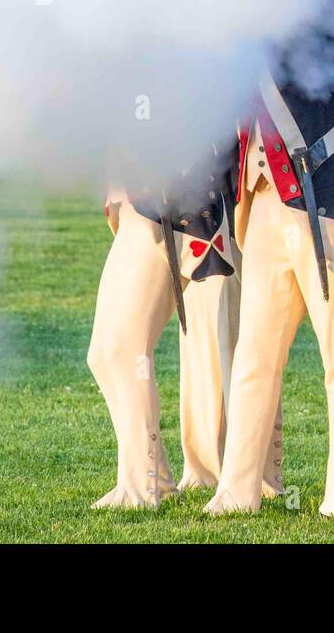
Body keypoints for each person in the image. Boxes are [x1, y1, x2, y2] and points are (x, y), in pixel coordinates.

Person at [204, 23, 334, 517]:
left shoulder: (331, 1)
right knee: (254, 356)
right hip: (266, 197)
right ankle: (238, 488)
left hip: (328, 206)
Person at [88, 147, 239, 508]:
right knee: (105, 353)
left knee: (123, 349)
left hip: (168, 200)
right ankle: (149, 478)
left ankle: (143, 486)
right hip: (140, 197)